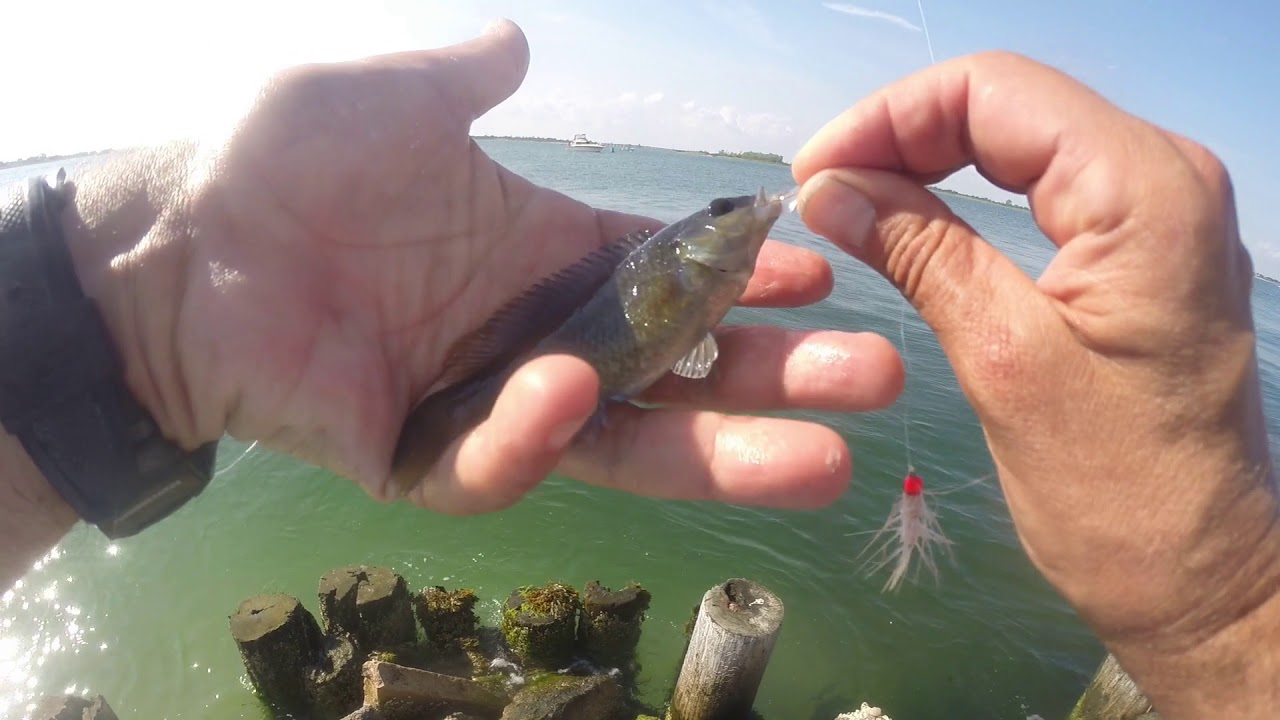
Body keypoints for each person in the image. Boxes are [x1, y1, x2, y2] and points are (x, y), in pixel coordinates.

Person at [0, 19, 1272, 720]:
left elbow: (676, 316)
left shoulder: (698, 270)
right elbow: (662, 311)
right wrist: (1218, 608)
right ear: (693, 247)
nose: (744, 212)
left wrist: (132, 314)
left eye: (736, 210)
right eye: (726, 214)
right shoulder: (685, 268)